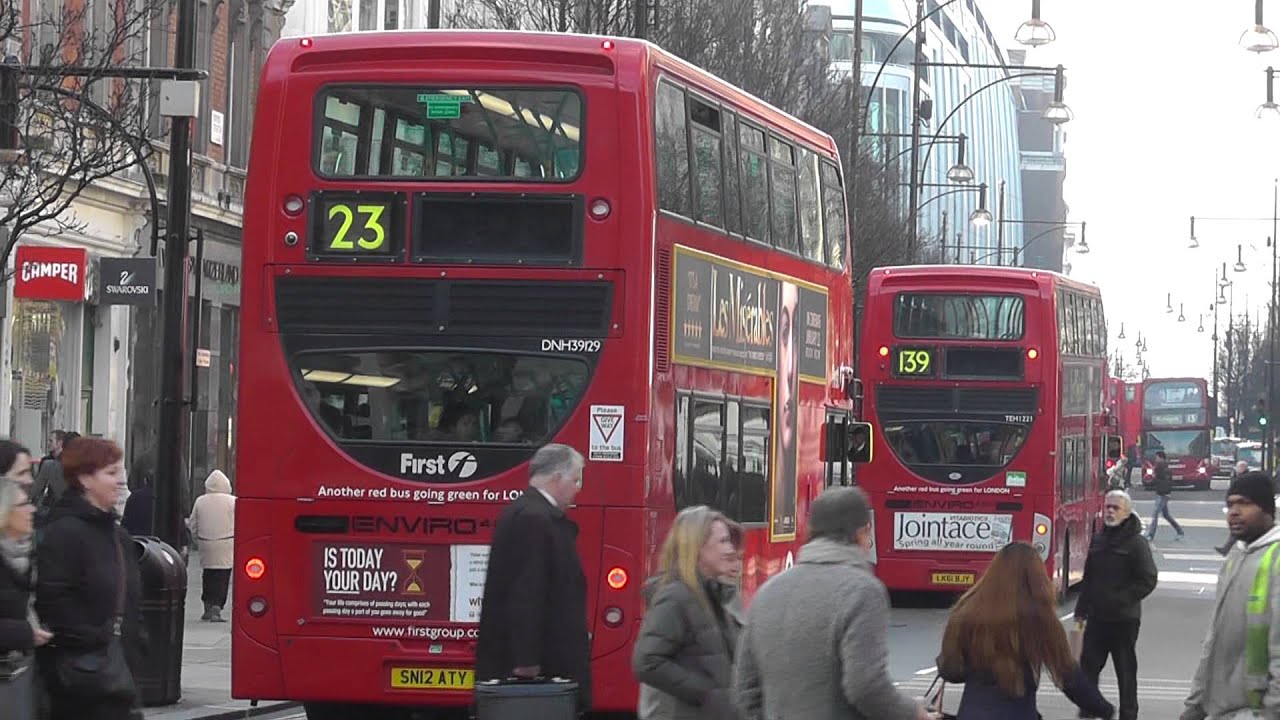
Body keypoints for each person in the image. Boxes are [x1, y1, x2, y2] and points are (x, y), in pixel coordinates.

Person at [733, 486, 934, 720]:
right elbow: (866, 686)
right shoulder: (862, 591)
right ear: (863, 532)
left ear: (811, 530)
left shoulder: (768, 592)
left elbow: (746, 688)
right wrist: (913, 713)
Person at [937, 542, 1114, 720]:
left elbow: (951, 671)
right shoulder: (1040, 618)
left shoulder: (967, 609)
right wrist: (1103, 709)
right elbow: (1068, 676)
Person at [475, 444, 591, 708]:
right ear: (556, 477)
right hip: (541, 667)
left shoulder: (531, 513)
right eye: (575, 479)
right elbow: (526, 591)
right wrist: (526, 660)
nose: (578, 488)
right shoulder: (534, 519)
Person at [35, 437, 143, 720]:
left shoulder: (118, 535)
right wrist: (96, 637)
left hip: (116, 676)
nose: (120, 481)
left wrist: (134, 644)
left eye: (120, 472)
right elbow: (54, 600)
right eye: (110, 473)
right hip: (80, 682)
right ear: (84, 478)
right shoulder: (64, 532)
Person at [1181, 472, 1280, 720]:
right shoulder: (1236, 558)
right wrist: (1196, 704)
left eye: (1244, 503)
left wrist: (1271, 712)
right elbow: (1213, 640)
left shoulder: (1275, 561)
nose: (1234, 511)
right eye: (1230, 504)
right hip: (1223, 710)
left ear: (1267, 510)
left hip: (1257, 711)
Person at [632, 507, 742, 720]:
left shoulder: (712, 594)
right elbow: (647, 661)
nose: (730, 550)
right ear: (697, 547)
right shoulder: (676, 596)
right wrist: (706, 694)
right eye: (723, 541)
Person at [1073, 490, 1157, 720]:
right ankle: (1088, 712)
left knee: (1125, 671)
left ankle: (1128, 714)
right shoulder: (1099, 539)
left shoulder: (1136, 543)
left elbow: (1148, 579)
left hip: (1124, 620)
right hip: (1097, 618)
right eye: (1107, 507)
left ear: (1126, 512)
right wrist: (1080, 611)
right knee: (1088, 668)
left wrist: (1121, 598)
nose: (1109, 511)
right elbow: (1089, 578)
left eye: (1115, 508)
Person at [0, 478, 51, 720]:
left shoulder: (25, 555)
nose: (31, 509)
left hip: (22, 675)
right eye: (22, 505)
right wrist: (25, 633)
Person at [187, 470, 236, 623]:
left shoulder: (200, 501)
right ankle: (217, 606)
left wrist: (196, 539)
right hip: (226, 542)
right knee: (222, 576)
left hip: (205, 542)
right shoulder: (232, 501)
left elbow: (193, 523)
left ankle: (207, 604)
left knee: (207, 574)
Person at [1144, 450, 1185, 542]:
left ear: (1161, 458)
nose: (1155, 459)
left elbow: (1158, 480)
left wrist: (1149, 483)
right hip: (1164, 493)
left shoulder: (1160, 467)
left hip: (1162, 494)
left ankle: (1150, 535)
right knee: (1166, 515)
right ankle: (1180, 531)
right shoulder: (1166, 467)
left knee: (1155, 514)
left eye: (1157, 457)